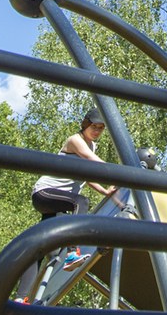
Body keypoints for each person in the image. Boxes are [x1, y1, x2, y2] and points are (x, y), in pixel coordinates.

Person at [31, 113, 110, 267]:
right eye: (94, 127)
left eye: (101, 128)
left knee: (41, 245)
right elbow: (90, 159)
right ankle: (72, 252)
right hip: (45, 192)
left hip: (57, 202)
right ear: (85, 124)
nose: (97, 131)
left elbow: (86, 177)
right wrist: (119, 172)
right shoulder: (75, 140)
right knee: (81, 202)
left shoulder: (93, 146)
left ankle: (23, 292)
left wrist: (105, 192)